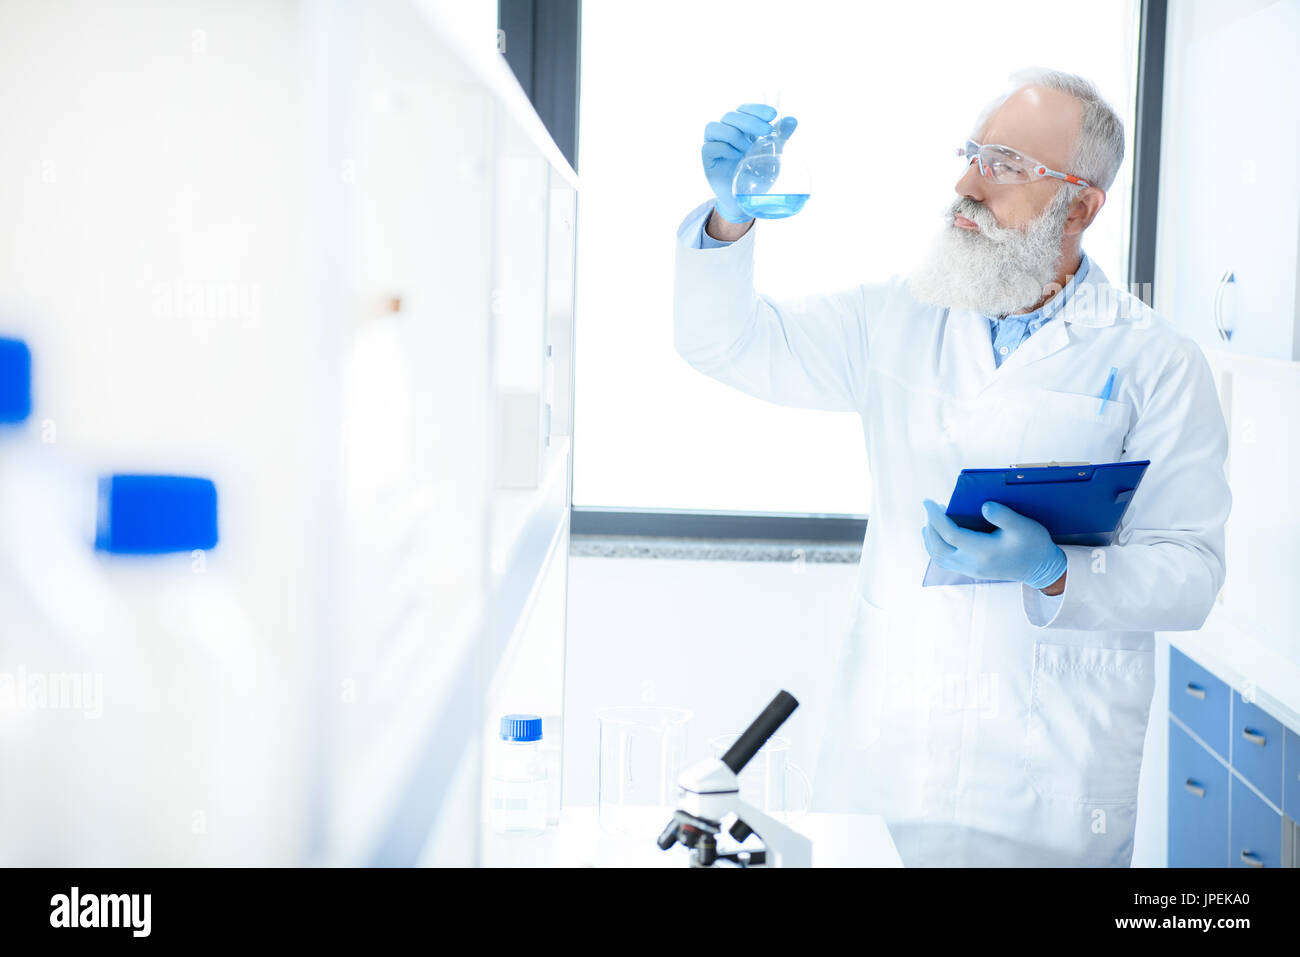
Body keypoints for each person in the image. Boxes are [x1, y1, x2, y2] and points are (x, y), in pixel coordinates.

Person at [673, 68, 1230, 866]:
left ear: (1080, 205)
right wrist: (728, 222)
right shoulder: (896, 316)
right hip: (887, 776)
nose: (967, 184)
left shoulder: (1157, 362)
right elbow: (723, 345)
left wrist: (1053, 570)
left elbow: (1191, 575)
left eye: (1005, 165)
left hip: (1049, 798)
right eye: (973, 154)